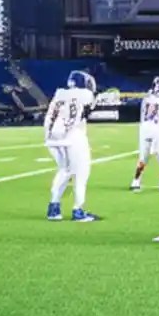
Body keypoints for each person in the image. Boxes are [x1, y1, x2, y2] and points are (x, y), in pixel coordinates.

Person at [45, 70, 98, 222]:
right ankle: (78, 210)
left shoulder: (59, 94)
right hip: (72, 136)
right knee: (81, 172)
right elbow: (87, 111)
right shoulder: (85, 95)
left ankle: (53, 208)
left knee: (64, 170)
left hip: (52, 138)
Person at [131, 77, 159, 193]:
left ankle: (135, 182)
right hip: (158, 128)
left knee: (143, 158)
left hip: (144, 129)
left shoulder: (147, 98)